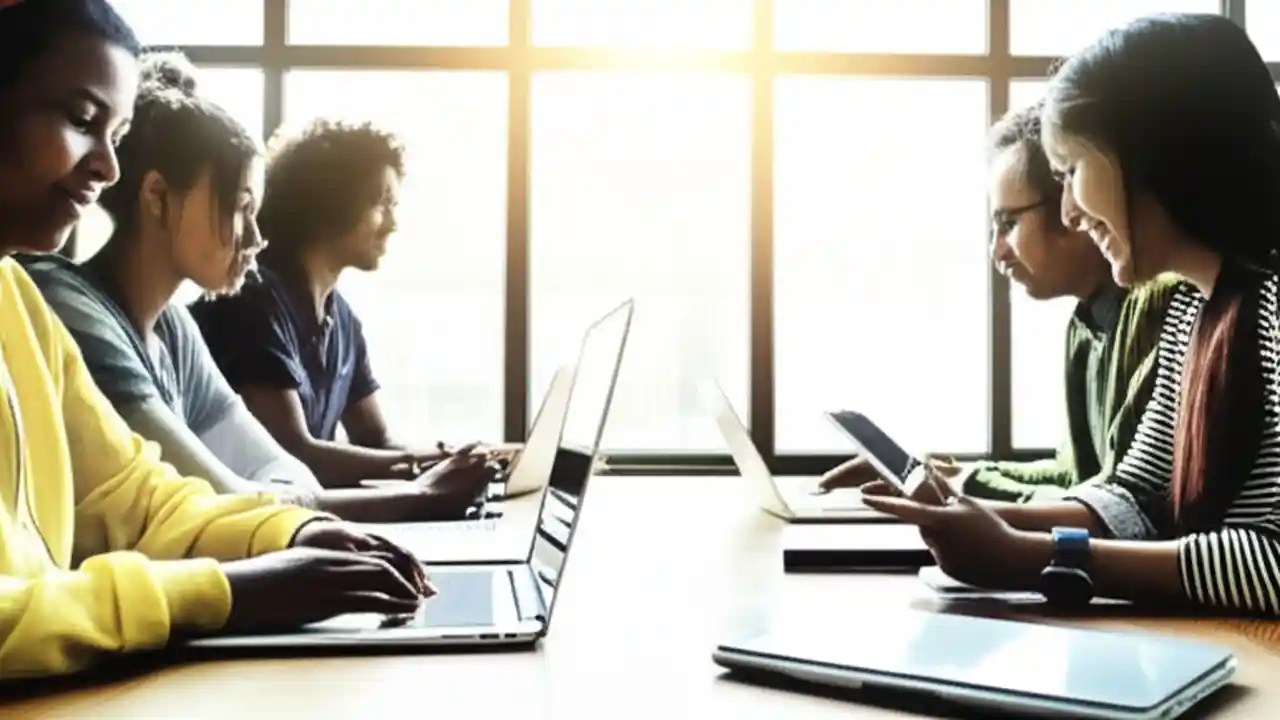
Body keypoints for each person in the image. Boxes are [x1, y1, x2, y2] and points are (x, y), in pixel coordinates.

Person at [0, 0, 433, 678]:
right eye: (82, 121)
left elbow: (140, 497)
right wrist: (233, 591)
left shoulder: (16, 299)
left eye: (116, 134)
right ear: (158, 198)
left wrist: (296, 534)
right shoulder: (60, 296)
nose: (105, 167)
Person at [863, 13, 1280, 615]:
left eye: (1073, 172)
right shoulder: (1198, 302)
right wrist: (978, 518)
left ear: (1153, 157)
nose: (1071, 212)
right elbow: (1137, 499)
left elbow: (1272, 560)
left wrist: (1033, 557)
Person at [21, 53, 492, 522]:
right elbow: (221, 503)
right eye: (239, 207)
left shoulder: (174, 330)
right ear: (159, 197)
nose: (255, 238)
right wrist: (421, 497)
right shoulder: (69, 308)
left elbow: (284, 475)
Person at [821, 101, 1177, 503]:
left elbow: (1116, 506)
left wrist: (964, 487)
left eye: (1009, 224)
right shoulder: (1087, 324)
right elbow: (1073, 473)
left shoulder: (1158, 318)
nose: (998, 251)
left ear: (1073, 203)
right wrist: (953, 475)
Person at [190, 118, 497, 487]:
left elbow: (376, 440)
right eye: (382, 203)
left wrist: (476, 457)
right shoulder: (251, 302)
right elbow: (292, 454)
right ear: (332, 202)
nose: (393, 223)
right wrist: (429, 470)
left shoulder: (342, 318)